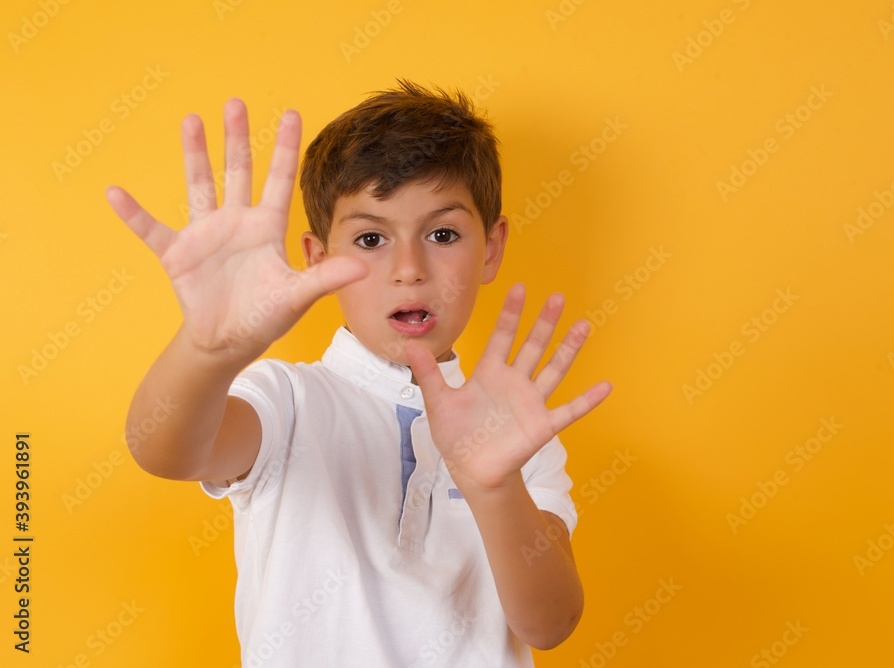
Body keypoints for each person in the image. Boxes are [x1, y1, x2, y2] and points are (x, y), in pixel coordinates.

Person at [106, 80, 612, 666]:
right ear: (319, 259)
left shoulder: (516, 429)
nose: (408, 269)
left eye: (442, 234)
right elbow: (162, 450)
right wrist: (207, 350)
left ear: (492, 248)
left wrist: (494, 487)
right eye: (371, 238)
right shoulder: (287, 400)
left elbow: (551, 624)